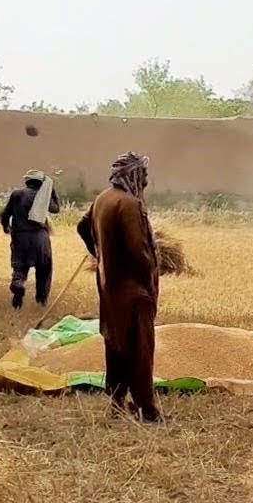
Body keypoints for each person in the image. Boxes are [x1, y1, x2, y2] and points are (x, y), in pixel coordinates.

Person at [77, 152, 160, 422]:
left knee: (115, 344)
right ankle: (147, 410)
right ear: (134, 175)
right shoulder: (130, 204)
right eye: (143, 175)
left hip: (109, 286)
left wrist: (100, 254)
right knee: (140, 349)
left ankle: (116, 402)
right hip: (133, 290)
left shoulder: (103, 198)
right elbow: (138, 250)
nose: (146, 181)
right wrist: (149, 273)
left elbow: (82, 226)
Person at [0, 170, 61, 309]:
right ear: (41, 184)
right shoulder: (42, 197)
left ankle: (18, 283)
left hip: (20, 236)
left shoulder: (17, 194)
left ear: (27, 181)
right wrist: (52, 192)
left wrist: (5, 226)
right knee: (44, 268)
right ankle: (41, 299)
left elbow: (5, 213)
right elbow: (56, 209)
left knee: (19, 265)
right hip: (40, 237)